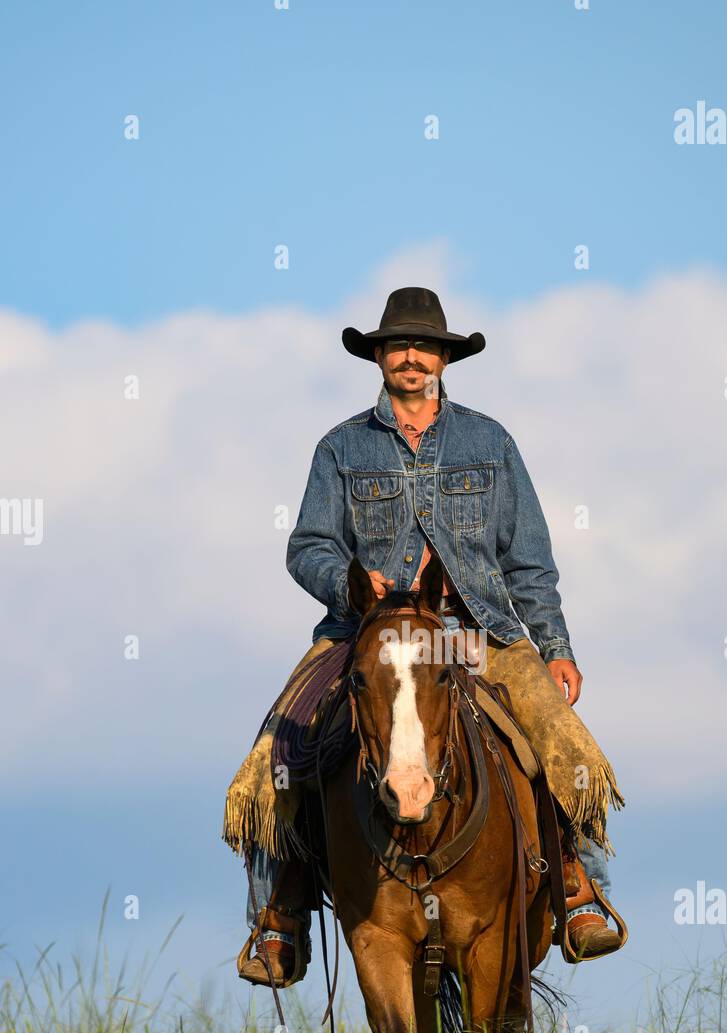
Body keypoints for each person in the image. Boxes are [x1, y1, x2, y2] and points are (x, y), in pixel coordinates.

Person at [224, 287, 625, 986]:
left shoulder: (490, 441)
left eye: (423, 346)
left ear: (443, 357)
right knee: (275, 751)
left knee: (562, 739)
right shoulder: (340, 447)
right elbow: (306, 546)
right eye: (397, 345)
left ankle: (574, 889)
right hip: (366, 635)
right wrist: (352, 579)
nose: (410, 357)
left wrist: (555, 646)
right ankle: (280, 918)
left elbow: (527, 557)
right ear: (379, 357)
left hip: (476, 633)